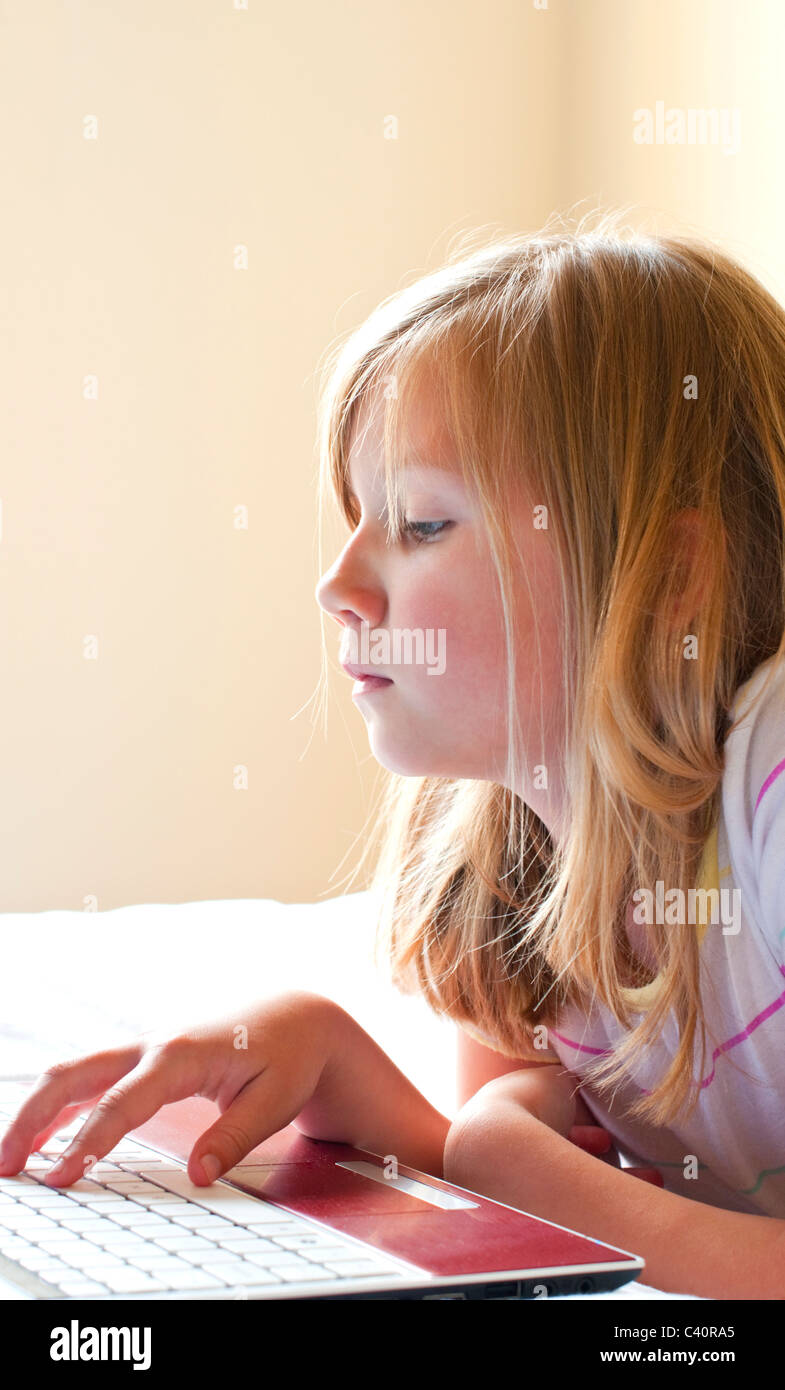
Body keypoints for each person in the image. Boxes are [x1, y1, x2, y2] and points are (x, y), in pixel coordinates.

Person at [3, 214, 785, 1298]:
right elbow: (528, 1164)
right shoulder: (511, 841)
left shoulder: (768, 786)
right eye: (360, 515)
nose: (339, 584)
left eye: (419, 525)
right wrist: (338, 1060)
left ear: (660, 578)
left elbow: (535, 1173)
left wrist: (500, 1152)